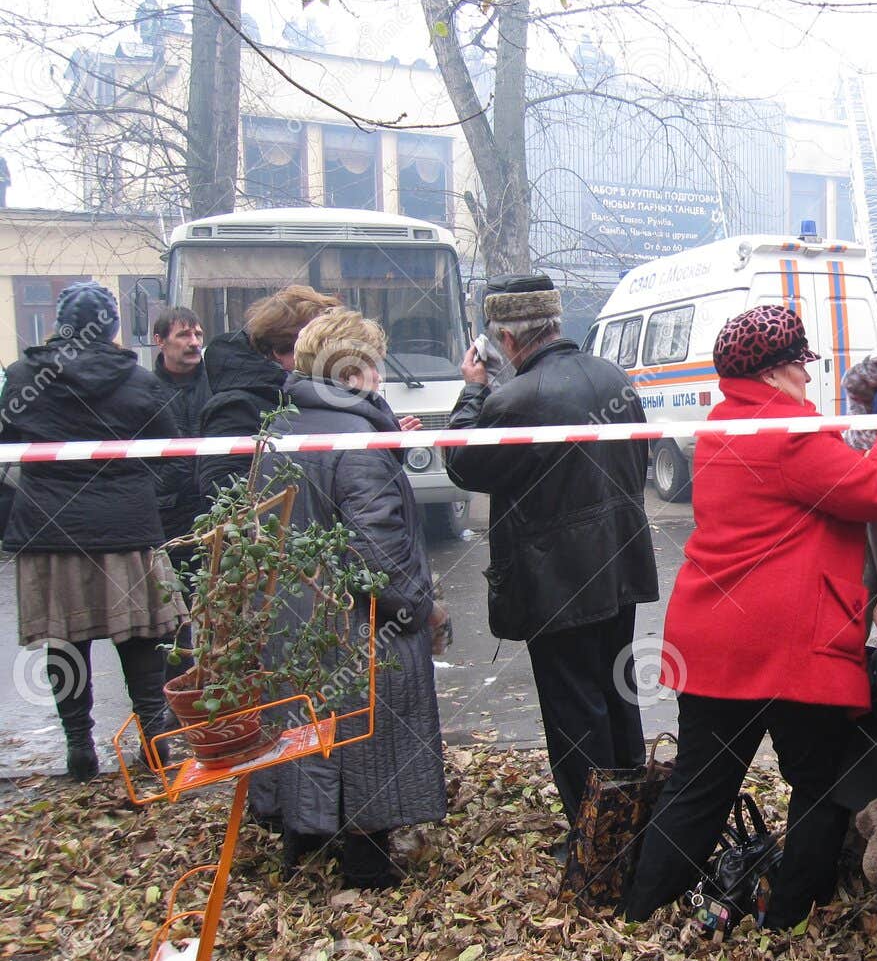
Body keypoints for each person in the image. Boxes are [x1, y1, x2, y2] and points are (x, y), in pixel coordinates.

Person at [623, 306, 877, 929]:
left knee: (701, 786)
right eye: (801, 370)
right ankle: (783, 918)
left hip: (714, 636)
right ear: (779, 372)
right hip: (786, 644)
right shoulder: (787, 433)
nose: (809, 381)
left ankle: (643, 910)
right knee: (821, 781)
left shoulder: (722, 426)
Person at [443, 276, 658, 851]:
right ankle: (631, 819)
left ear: (507, 338)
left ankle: (595, 839)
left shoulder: (515, 399)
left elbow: (465, 466)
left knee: (574, 709)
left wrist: (471, 393)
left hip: (556, 579)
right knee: (618, 692)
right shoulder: (613, 377)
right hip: (618, 567)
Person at [251, 308, 450, 888]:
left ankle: (302, 843)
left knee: (305, 731)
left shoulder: (281, 427)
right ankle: (368, 865)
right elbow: (378, 557)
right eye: (374, 364)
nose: (381, 377)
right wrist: (419, 607)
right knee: (365, 735)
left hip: (294, 617)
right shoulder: (357, 441)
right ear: (354, 369)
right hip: (353, 627)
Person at [0, 283, 185, 780]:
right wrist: (136, 491)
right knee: (144, 638)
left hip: (50, 531)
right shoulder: (139, 382)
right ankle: (153, 743)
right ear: (111, 327)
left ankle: (79, 748)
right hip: (126, 528)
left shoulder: (21, 378)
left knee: (67, 642)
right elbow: (170, 450)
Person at [197, 285, 340, 493]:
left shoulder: (310, 392)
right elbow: (223, 493)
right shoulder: (236, 406)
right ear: (279, 351)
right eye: (315, 350)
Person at [150, 308, 210, 645]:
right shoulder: (145, 388)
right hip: (168, 514)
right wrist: (160, 491)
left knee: (223, 606)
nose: (194, 343)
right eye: (184, 335)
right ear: (160, 341)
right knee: (175, 611)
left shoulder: (216, 382)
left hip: (216, 508)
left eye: (198, 335)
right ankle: (180, 686)